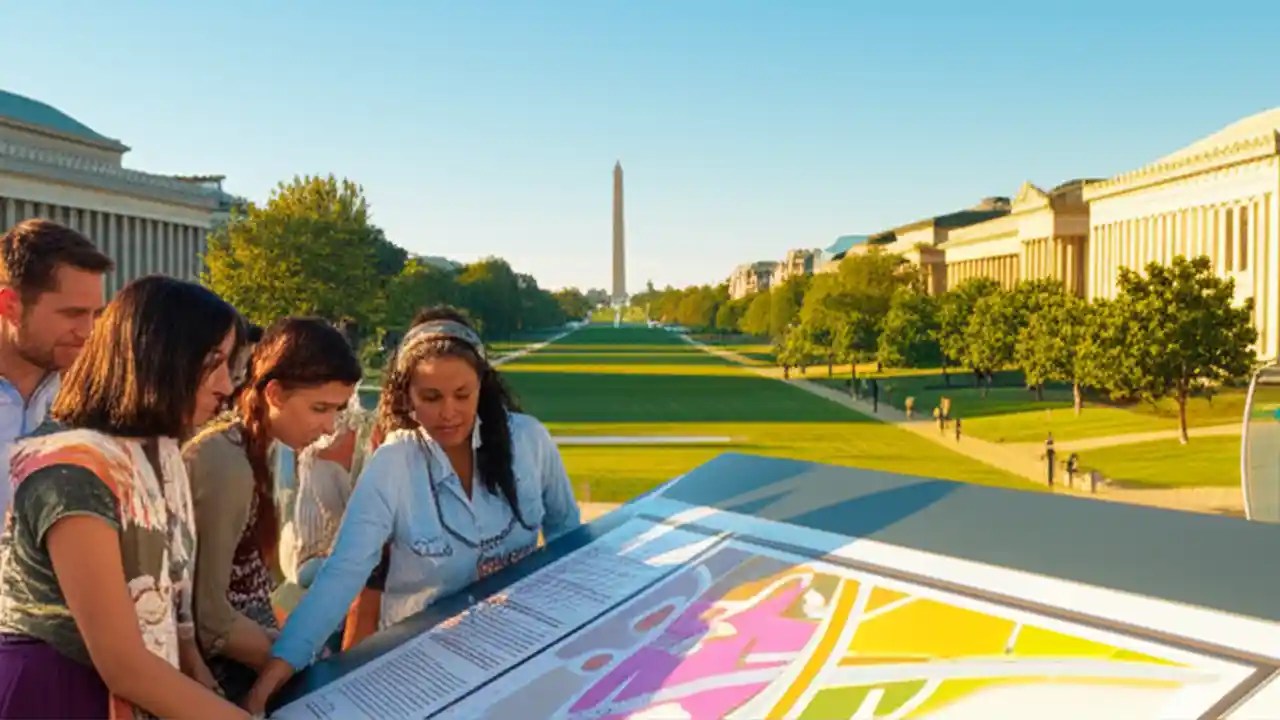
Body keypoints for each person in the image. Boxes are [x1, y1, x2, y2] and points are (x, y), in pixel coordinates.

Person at [244, 306, 582, 712]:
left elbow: (569, 538)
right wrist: (276, 672)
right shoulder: (394, 462)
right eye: (431, 397)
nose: (448, 413)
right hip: (422, 673)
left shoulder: (529, 441)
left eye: (463, 395)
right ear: (406, 396)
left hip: (517, 652)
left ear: (483, 387)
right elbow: (344, 572)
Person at [0, 275, 248, 719]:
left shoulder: (156, 450)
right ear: (156, 358)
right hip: (59, 692)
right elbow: (124, 667)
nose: (226, 386)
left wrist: (202, 679)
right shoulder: (71, 469)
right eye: (212, 364)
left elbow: (171, 601)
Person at [183, 318, 363, 703]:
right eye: (319, 408)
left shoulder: (266, 447)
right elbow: (210, 617)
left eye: (337, 410)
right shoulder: (225, 459)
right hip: (223, 676)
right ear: (275, 393)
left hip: (250, 653)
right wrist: (294, 660)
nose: (329, 426)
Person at [0, 219, 113, 520]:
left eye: (94, 314)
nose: (88, 331)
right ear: (10, 305)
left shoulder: (96, 403)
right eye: (72, 314)